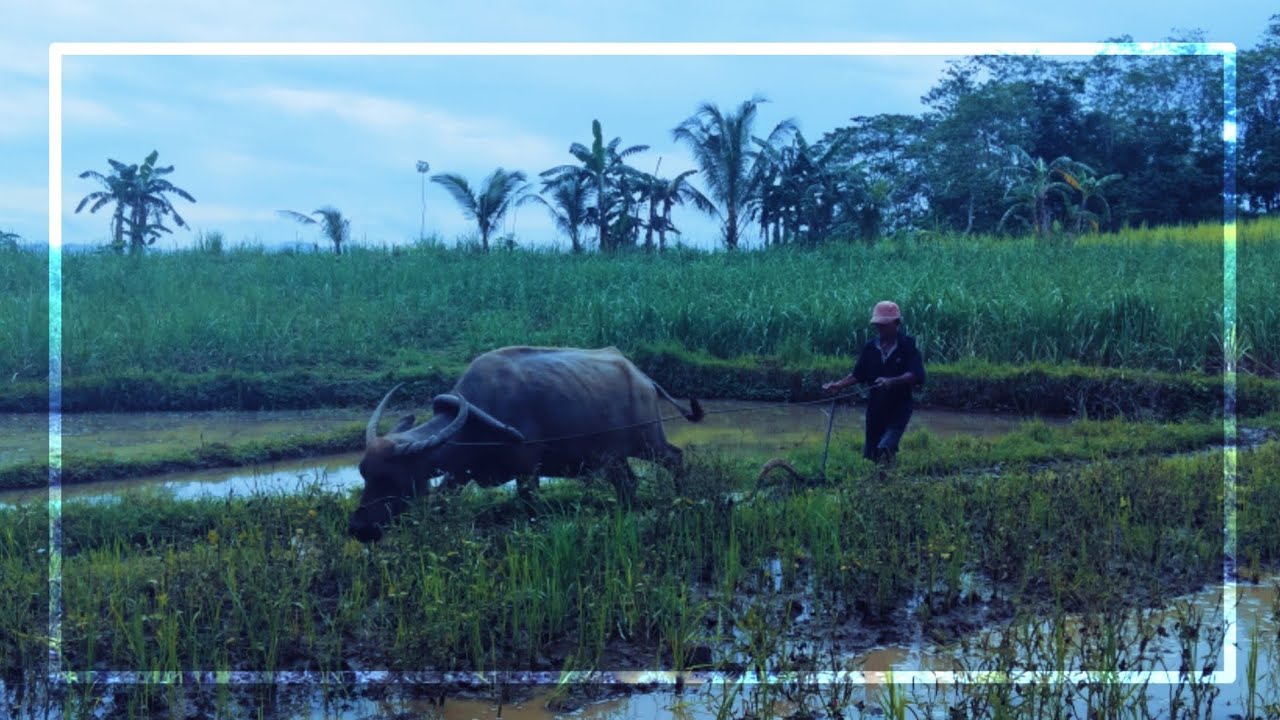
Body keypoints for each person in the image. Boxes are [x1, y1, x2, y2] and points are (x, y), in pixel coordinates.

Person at [822, 300, 925, 465]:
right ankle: (881, 479)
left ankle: (889, 477)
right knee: (870, 456)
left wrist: (891, 381)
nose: (880, 328)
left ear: (896, 323)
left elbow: (916, 375)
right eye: (878, 325)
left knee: (886, 446)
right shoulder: (871, 347)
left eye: (884, 325)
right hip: (875, 408)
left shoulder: (907, 345)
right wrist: (838, 385)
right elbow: (858, 374)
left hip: (899, 408)